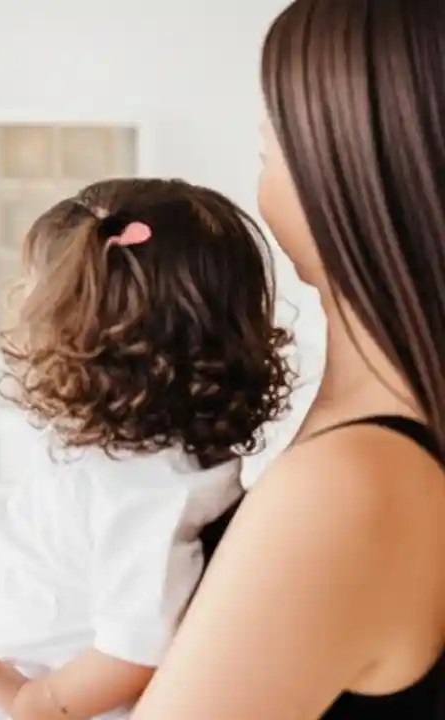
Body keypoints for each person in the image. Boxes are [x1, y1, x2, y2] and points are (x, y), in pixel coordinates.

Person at [133, 0, 445, 716]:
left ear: (351, 179)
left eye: (268, 149)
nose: (261, 184)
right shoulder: (365, 448)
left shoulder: (350, 486)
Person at [0, 178, 292, 719]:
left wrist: (28, 700)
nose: (25, 302)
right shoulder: (122, 456)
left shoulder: (149, 481)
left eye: (37, 288)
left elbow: (135, 647)